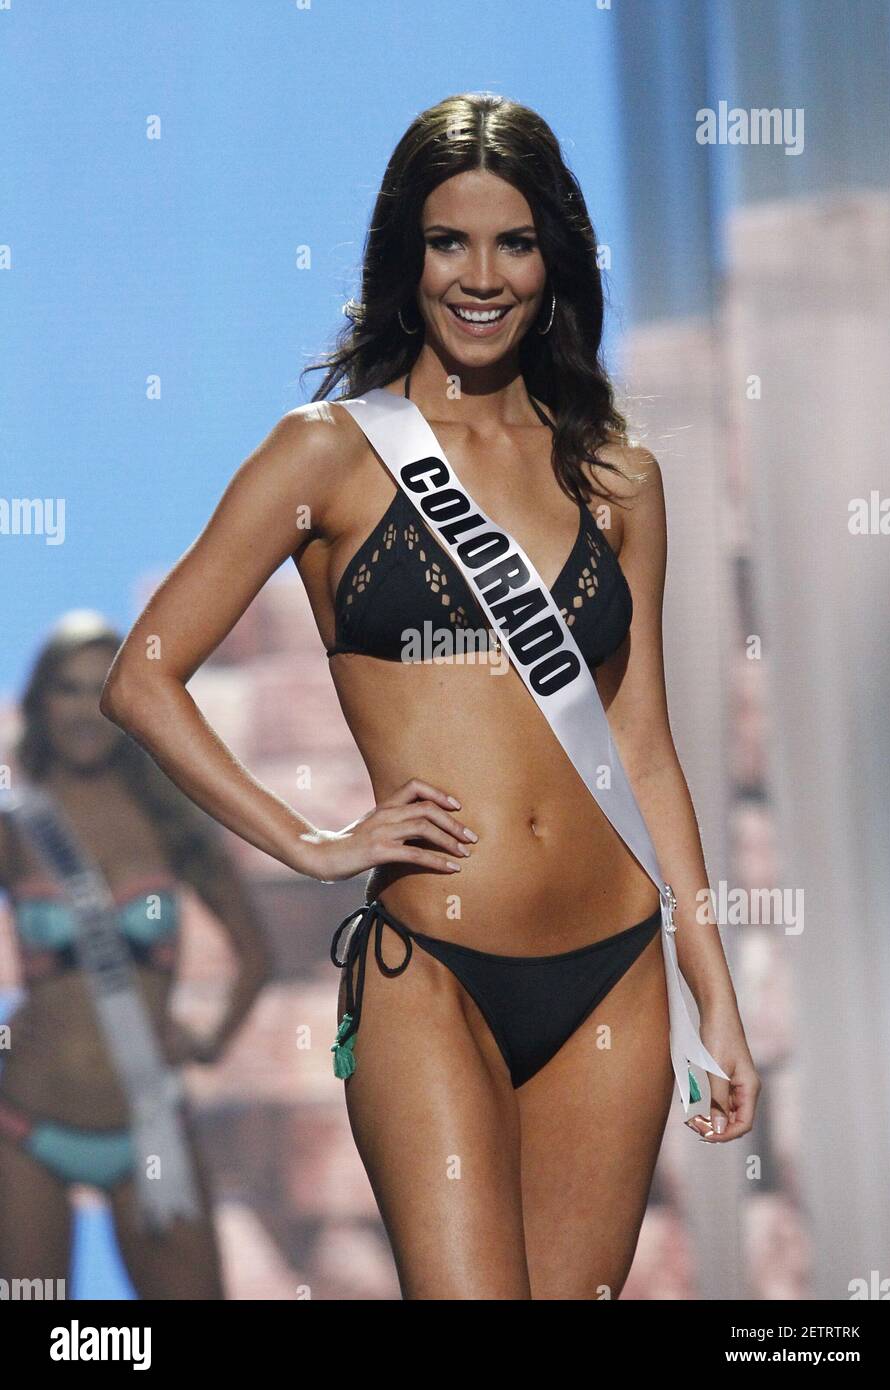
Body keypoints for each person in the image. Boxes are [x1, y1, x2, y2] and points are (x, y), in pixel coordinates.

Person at [101, 92, 760, 1300]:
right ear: (404, 256)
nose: (480, 274)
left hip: (613, 970)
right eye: (446, 240)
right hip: (434, 970)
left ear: (551, 256)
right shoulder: (326, 454)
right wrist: (312, 841)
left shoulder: (617, 476)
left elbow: (644, 746)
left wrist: (712, 989)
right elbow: (142, 677)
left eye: (512, 241)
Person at [0, 612, 271, 1298]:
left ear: (125, 703)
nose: (84, 712)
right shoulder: (15, 822)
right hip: (24, 1125)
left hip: (150, 1128)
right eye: (66, 689)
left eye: (101, 691)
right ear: (40, 702)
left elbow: (256, 953)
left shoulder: (169, 816)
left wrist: (210, 1044)